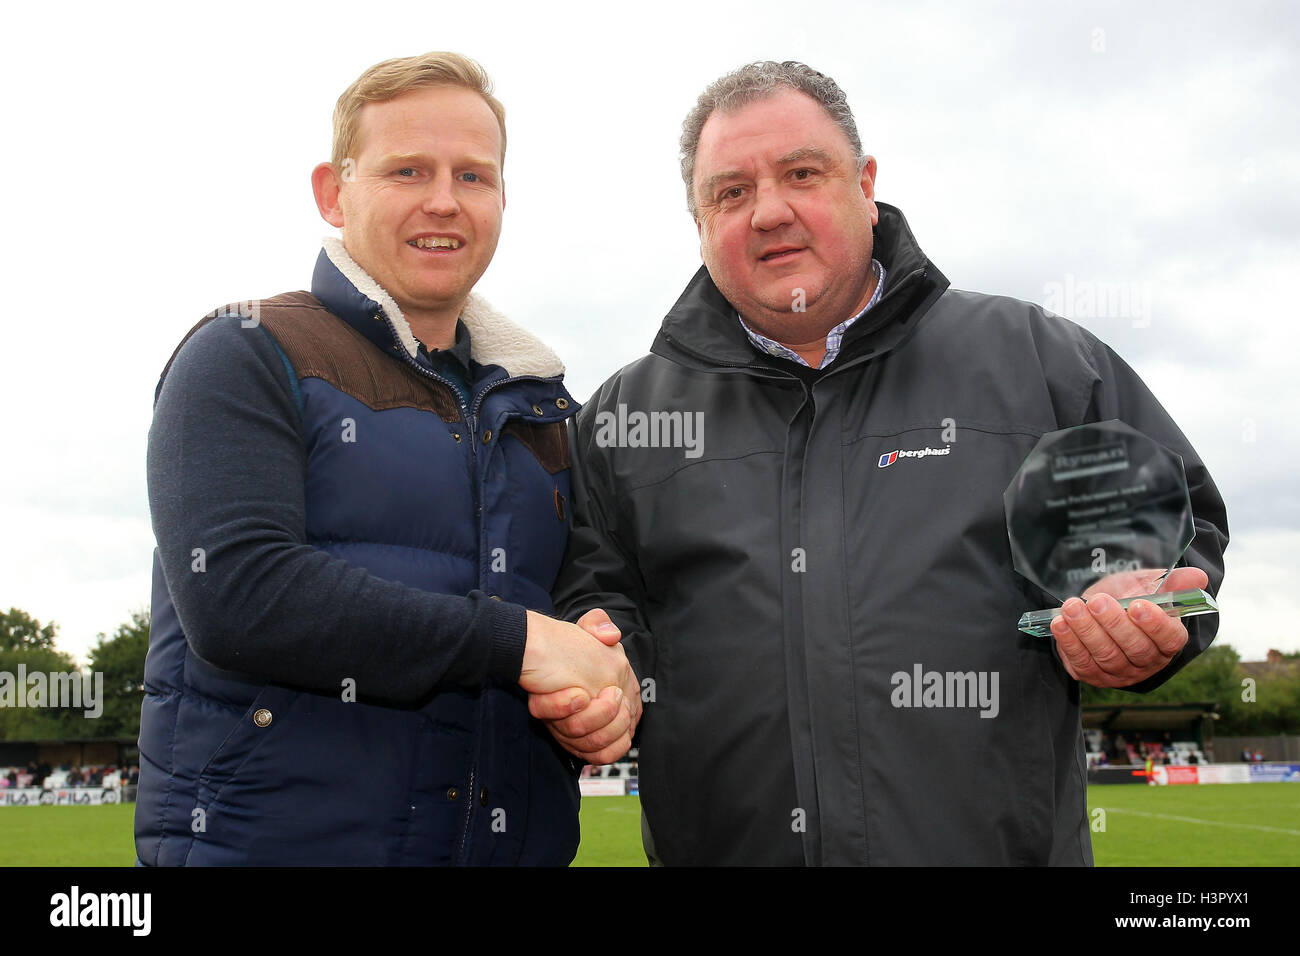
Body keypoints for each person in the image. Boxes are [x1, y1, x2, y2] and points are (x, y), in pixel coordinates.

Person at [546, 60, 1228, 865]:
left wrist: (1142, 622)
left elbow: (1168, 542)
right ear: (698, 221)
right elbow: (593, 598)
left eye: (802, 173)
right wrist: (596, 663)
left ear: (864, 184)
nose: (768, 211)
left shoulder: (1038, 363)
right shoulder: (624, 419)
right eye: (729, 192)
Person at [138, 52, 637, 866]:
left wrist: (606, 685)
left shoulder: (547, 413)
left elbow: (587, 605)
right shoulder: (245, 351)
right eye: (407, 170)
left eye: (473, 176)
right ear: (333, 193)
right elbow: (238, 593)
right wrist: (519, 644)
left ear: (503, 199)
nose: (444, 200)